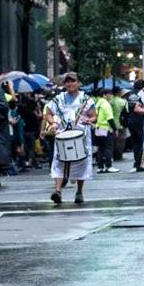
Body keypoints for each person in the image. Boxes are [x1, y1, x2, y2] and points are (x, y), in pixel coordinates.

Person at [44, 72, 95, 205]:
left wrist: (89, 120)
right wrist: (53, 123)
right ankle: (58, 191)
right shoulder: (58, 99)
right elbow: (48, 113)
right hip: (63, 135)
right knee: (59, 161)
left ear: (78, 83)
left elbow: (93, 116)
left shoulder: (86, 99)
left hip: (81, 135)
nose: (70, 84)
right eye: (67, 82)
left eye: (72, 81)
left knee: (81, 163)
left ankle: (79, 192)